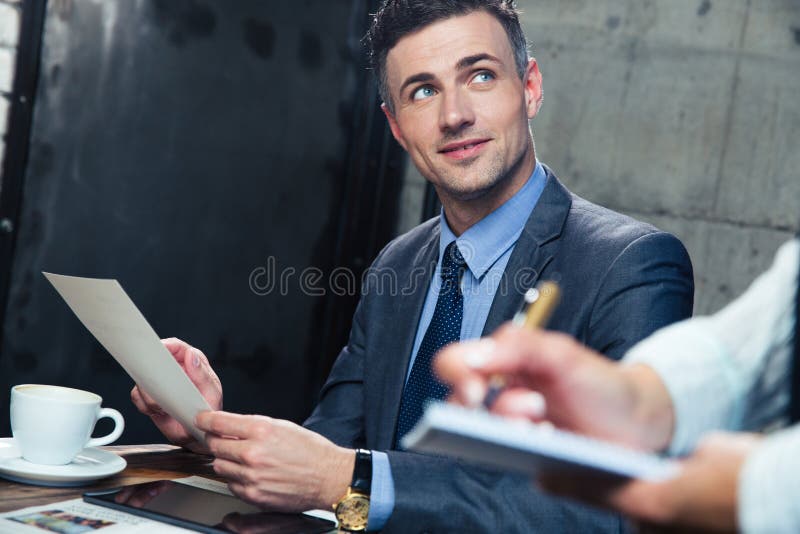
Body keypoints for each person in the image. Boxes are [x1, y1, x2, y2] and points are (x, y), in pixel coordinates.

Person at [132, 1, 694, 531]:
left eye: (480, 76)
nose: (455, 115)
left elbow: (617, 510)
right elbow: (323, 455)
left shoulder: (630, 265)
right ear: (397, 126)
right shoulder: (395, 267)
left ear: (530, 87)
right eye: (423, 91)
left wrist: (347, 478)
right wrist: (207, 427)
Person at [435, 238, 800, 533]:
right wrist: (640, 400)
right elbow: (780, 318)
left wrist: (758, 491)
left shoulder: (631, 255)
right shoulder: (407, 256)